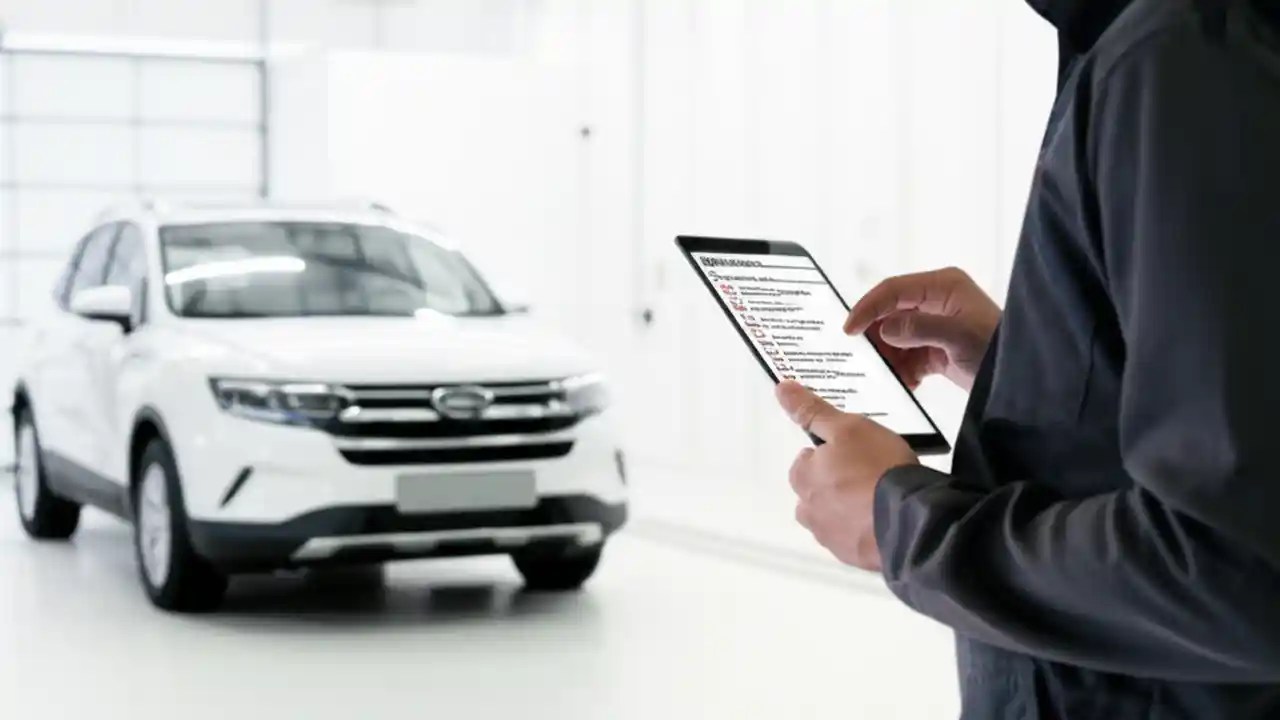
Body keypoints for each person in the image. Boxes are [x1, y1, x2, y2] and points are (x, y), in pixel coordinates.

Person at [774, 0, 1280, 716]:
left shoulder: (1177, 52)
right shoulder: (1161, 41)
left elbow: (1233, 565)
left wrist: (903, 528)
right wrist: (1046, 361)